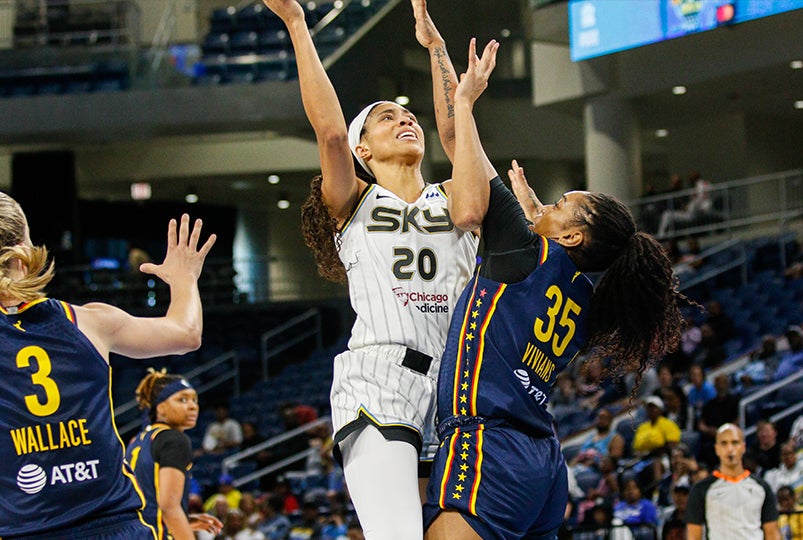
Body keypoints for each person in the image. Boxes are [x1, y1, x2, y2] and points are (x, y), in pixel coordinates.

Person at [423, 38, 690, 539]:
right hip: (542, 465)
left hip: (490, 445)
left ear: (573, 235)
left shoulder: (525, 251)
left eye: (563, 201)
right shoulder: (586, 299)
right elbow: (540, 272)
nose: (550, 201)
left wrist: (463, 94)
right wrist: (537, 218)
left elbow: (457, 142)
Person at [261, 1, 480, 537]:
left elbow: (459, 138)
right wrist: (296, 23)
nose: (406, 119)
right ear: (364, 149)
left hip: (454, 387)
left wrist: (436, 50)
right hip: (380, 379)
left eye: (409, 116)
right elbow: (330, 133)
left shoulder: (454, 197)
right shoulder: (353, 201)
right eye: (388, 117)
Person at [0, 194, 216, 538]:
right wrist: (184, 279)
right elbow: (186, 333)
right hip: (116, 526)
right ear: (26, 252)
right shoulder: (88, 320)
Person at [126, 369, 224, 540]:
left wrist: (186, 520)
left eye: (194, 399)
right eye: (182, 400)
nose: (193, 406)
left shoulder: (137, 440)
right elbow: (168, 507)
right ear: (161, 408)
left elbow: (147, 503)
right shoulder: (174, 439)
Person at [685, 423, 781, 540]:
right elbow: (694, 536)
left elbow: (772, 533)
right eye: (724, 443)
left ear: (743, 447)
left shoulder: (761, 487)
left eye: (735, 443)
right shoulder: (701, 489)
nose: (730, 449)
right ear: (717, 449)